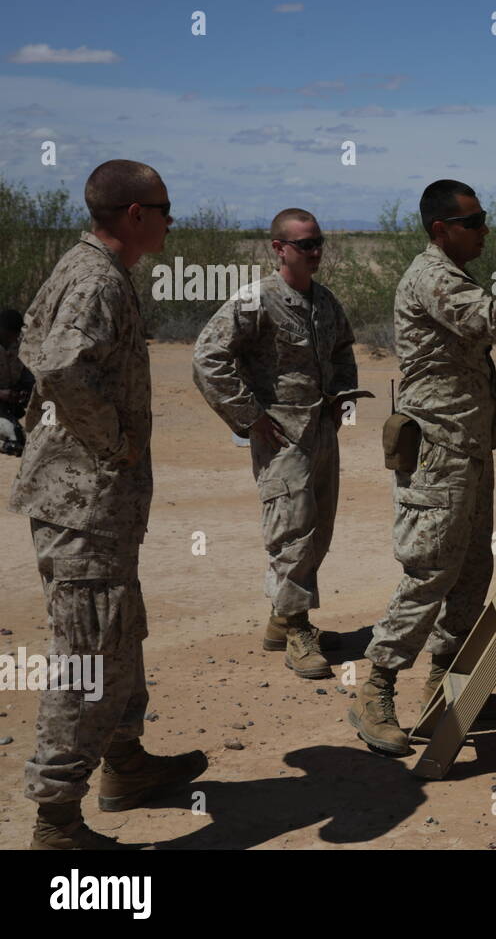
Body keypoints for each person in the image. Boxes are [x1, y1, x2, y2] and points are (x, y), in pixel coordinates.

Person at [349, 179, 496, 755]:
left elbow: (456, 352)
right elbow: (494, 321)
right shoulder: (432, 275)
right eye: (474, 221)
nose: (485, 230)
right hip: (439, 452)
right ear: (441, 229)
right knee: (431, 570)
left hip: (466, 445)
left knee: (472, 568)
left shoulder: (452, 273)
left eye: (484, 218)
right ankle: (375, 688)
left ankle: (448, 684)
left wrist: (492, 385)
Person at [8, 159, 207, 849]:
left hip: (90, 502)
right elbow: (61, 366)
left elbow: (34, 347)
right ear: (135, 215)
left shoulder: (88, 269)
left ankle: (125, 763)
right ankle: (56, 817)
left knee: (118, 631)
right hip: (84, 502)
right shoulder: (95, 279)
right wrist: (114, 441)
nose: (172, 220)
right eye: (165, 208)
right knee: (89, 650)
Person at [192, 208, 359, 679]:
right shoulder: (256, 299)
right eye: (305, 244)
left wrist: (343, 399)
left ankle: (281, 619)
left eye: (319, 242)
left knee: (318, 530)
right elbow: (208, 358)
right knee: (292, 532)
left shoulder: (324, 301)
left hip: (320, 432)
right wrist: (249, 417)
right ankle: (298, 630)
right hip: (281, 436)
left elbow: (343, 350)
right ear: (279, 249)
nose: (315, 251)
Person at [0, 308, 35, 456]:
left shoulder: (18, 345)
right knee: (16, 442)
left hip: (11, 403)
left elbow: (28, 374)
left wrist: (25, 390)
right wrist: (1, 394)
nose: (15, 338)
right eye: (11, 334)